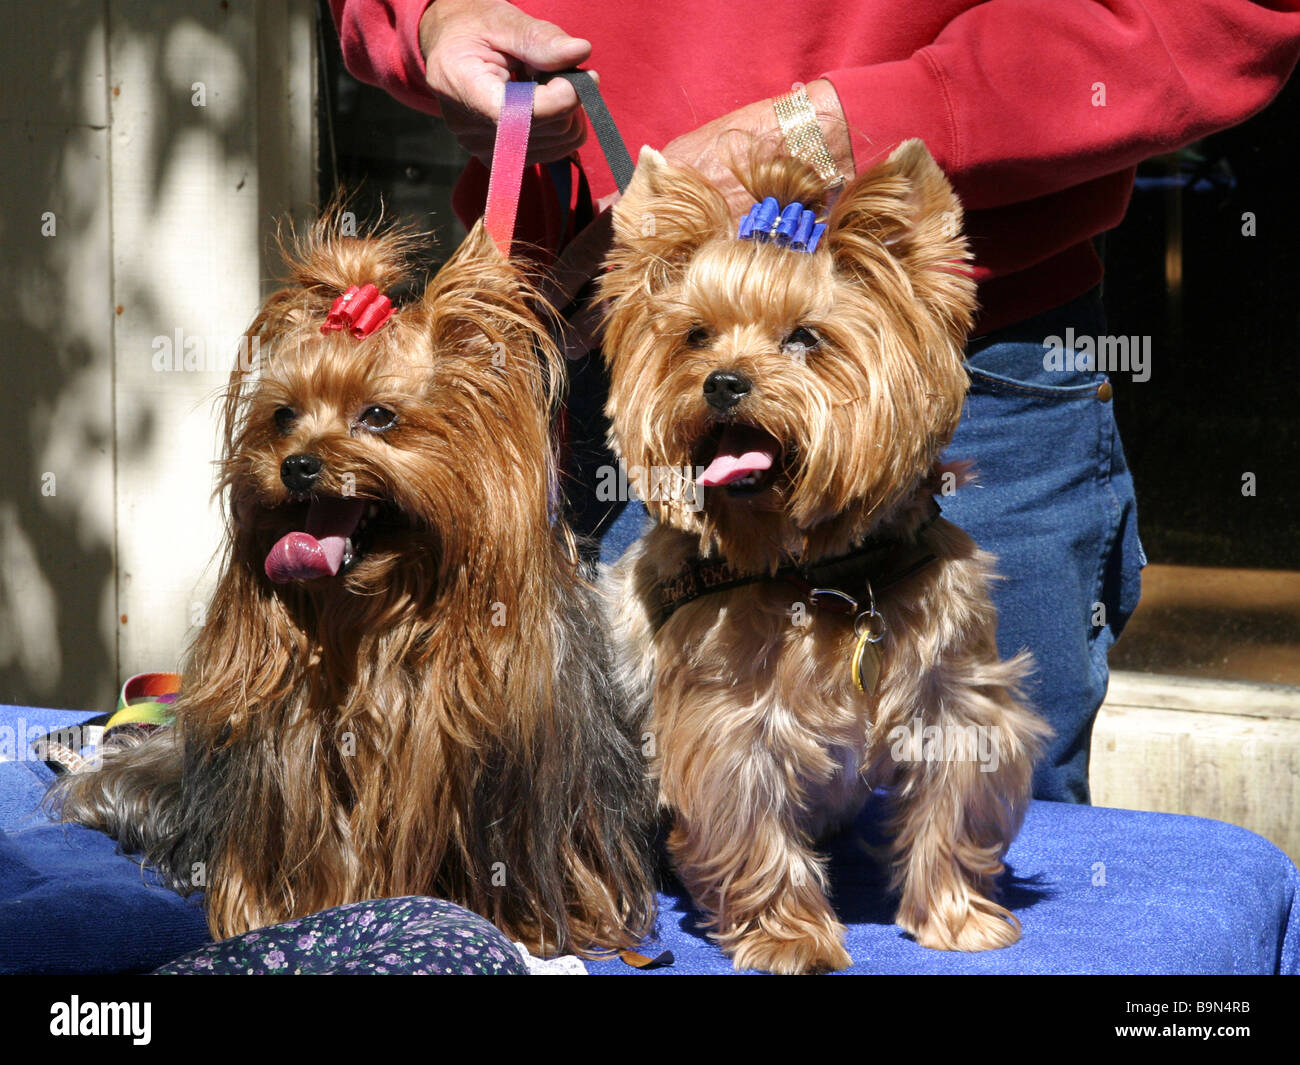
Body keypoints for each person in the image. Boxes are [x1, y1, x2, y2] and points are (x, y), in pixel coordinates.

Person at [329, 0, 1300, 803]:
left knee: (964, 884)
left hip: (944, 378)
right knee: (615, 850)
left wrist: (855, 125)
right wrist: (424, 22)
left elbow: (1220, 16)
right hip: (620, 368)